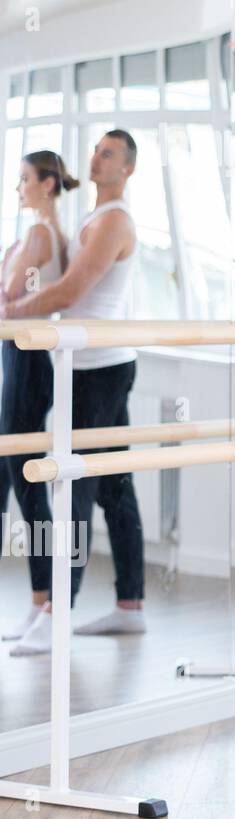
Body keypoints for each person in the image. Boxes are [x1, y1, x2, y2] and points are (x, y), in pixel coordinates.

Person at [0, 131, 146, 655]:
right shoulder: (92, 220)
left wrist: (8, 314)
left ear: (127, 168)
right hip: (90, 367)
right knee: (112, 487)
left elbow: (68, 292)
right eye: (95, 150)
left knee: (77, 490)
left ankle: (58, 613)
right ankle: (131, 606)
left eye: (108, 153)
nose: (95, 158)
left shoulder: (113, 220)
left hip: (99, 369)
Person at [0, 151, 72, 643]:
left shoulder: (42, 234)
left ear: (47, 184)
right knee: (15, 481)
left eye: (25, 179)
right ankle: (38, 601)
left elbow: (8, 296)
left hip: (26, 359)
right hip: (19, 358)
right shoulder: (46, 232)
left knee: (27, 486)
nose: (18, 187)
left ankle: (45, 599)